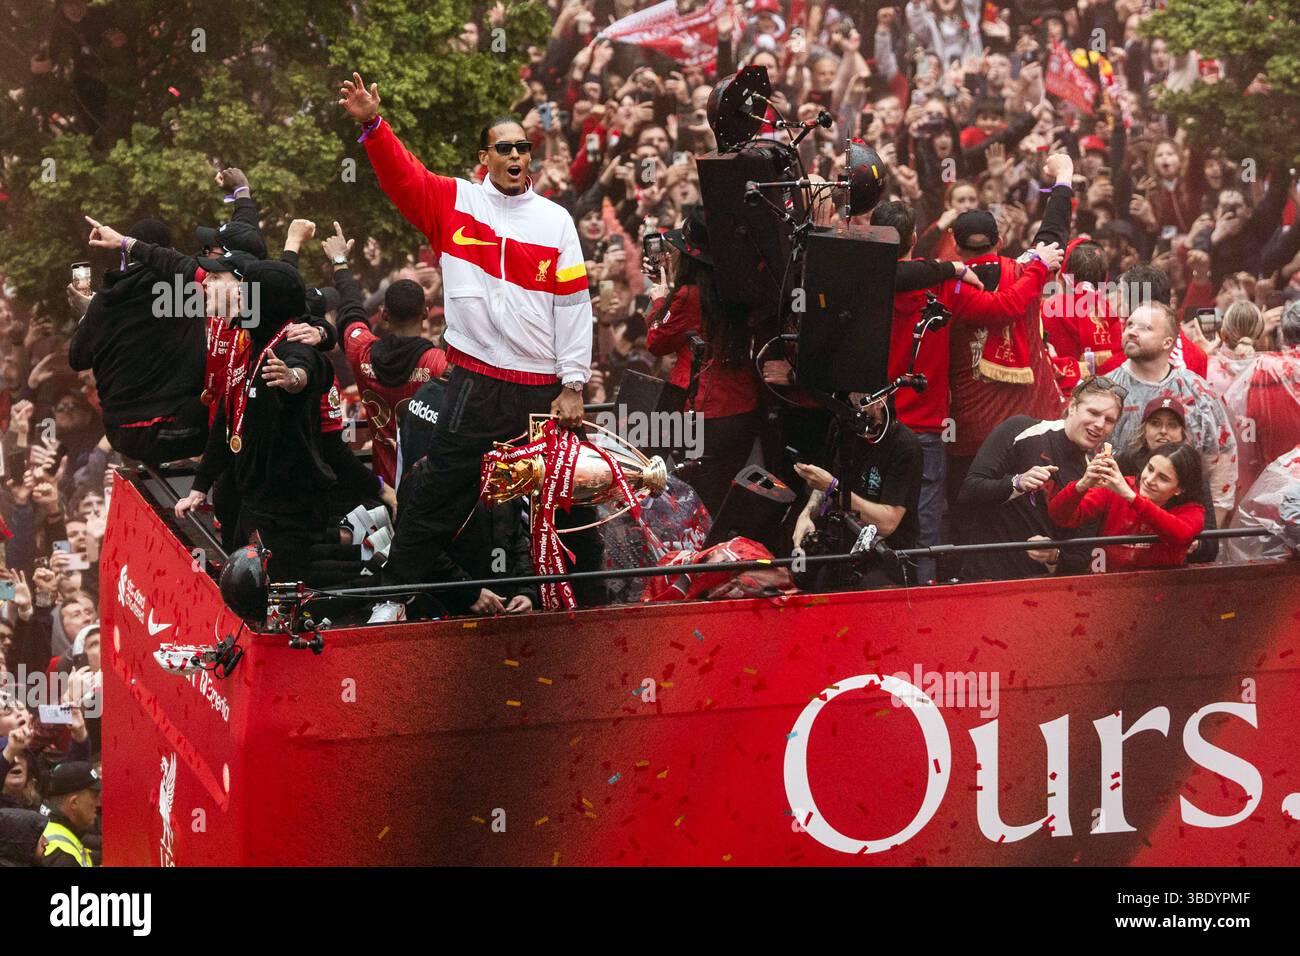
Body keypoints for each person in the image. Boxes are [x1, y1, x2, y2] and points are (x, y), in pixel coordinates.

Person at [338, 73, 592, 620]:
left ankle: (569, 604)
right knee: (436, 490)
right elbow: (403, 178)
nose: (517, 154)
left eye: (524, 146)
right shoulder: (453, 201)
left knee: (558, 498)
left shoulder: (556, 221)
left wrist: (574, 384)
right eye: (505, 147)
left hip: (541, 389)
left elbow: (574, 306)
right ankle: (394, 590)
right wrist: (372, 125)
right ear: (486, 157)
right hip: (476, 382)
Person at [869, 199, 1064, 582]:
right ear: (913, 238)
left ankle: (874, 591)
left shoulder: (861, 279)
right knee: (926, 521)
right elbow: (1004, 306)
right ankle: (922, 591)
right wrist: (1036, 265)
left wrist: (951, 266)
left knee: (869, 513)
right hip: (926, 424)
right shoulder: (944, 284)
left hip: (874, 422)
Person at [173, 260, 336, 584]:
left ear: (266, 301)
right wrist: (200, 485)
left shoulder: (291, 343)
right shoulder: (249, 341)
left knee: (282, 595)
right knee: (238, 585)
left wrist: (293, 379)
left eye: (247, 294)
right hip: (251, 500)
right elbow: (225, 418)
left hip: (287, 510)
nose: (239, 299)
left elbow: (310, 367)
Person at [644, 204, 761, 516]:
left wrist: (659, 298)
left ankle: (697, 562)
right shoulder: (745, 290)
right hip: (744, 412)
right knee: (724, 504)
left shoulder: (688, 296)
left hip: (701, 415)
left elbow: (656, 341)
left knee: (696, 505)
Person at [69, 217, 209, 465]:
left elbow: (78, 359)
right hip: (184, 430)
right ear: (170, 252)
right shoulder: (189, 290)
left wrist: (87, 316)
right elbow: (207, 276)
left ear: (127, 257)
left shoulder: (106, 300)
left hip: (123, 435)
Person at [958, 376, 1126, 581]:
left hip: (1041, 589)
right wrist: (1016, 483)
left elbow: (1081, 556)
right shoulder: (1020, 429)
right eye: (1093, 412)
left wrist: (1054, 556)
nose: (1100, 424)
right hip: (986, 575)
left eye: (1109, 420)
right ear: (1073, 406)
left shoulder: (1093, 475)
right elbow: (968, 492)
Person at [331, 223, 449, 488]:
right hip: (426, 490)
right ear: (424, 313)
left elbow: (351, 309)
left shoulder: (362, 351)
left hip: (383, 485)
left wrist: (340, 262)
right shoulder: (439, 365)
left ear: (383, 314)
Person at [1101, 302, 1238, 524]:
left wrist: (1213, 527)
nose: (1131, 332)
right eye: (1129, 325)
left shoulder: (1198, 392)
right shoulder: (1104, 390)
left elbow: (1223, 459)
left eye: (1145, 328)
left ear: (1168, 342)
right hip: (1116, 523)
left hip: (1183, 523)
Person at [790, 394, 923, 589]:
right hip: (838, 549)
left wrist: (832, 488)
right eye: (849, 397)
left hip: (883, 558)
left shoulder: (905, 445)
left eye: (860, 398)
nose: (853, 405)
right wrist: (807, 514)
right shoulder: (842, 428)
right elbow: (825, 481)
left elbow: (887, 523)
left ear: (881, 400)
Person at [1049, 441, 1205, 571]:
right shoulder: (1116, 488)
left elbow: (1180, 535)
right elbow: (1059, 516)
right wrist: (1081, 484)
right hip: (1106, 587)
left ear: (1180, 489)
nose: (1149, 480)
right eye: (1149, 469)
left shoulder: (1193, 510)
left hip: (1161, 592)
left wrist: (1131, 497)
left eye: (1163, 478)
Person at [1116, 396, 1218, 562]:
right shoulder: (1126, 461)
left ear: (1182, 432)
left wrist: (1197, 546)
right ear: (1144, 429)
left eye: (1172, 425)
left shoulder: (1193, 472)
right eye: (1155, 423)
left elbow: (1211, 544)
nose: (1163, 431)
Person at [40, 759, 100, 867]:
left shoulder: (49, 826)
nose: (98, 803)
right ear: (74, 802)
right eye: (94, 796)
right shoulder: (60, 855)